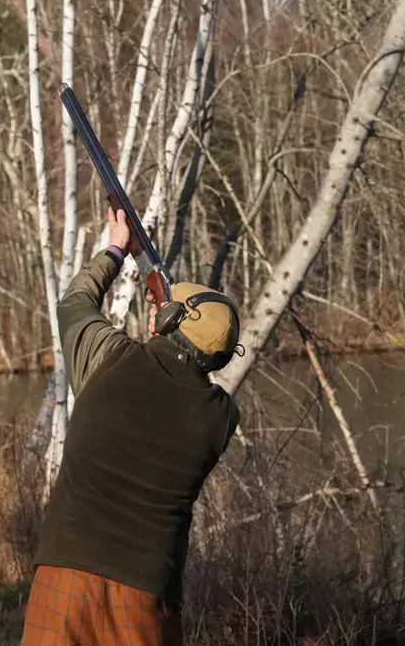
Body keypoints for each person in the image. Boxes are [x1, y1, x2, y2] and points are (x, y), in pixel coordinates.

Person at [20, 207, 243, 645]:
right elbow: (182, 365)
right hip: (146, 595)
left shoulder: (108, 360)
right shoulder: (221, 418)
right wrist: (167, 309)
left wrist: (115, 250)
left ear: (165, 320)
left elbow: (75, 304)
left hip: (66, 575)